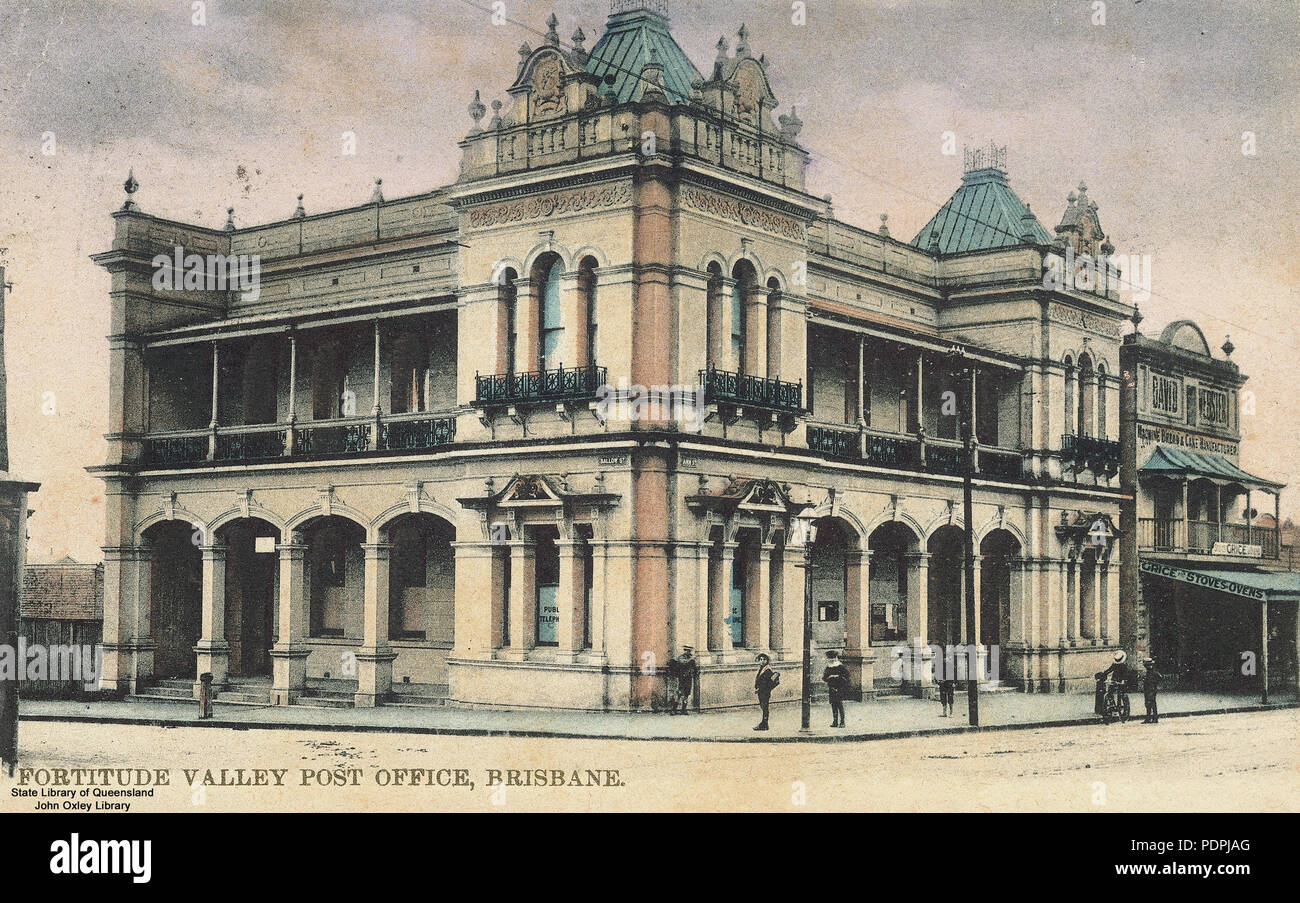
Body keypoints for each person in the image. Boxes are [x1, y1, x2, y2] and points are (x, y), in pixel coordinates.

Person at [822, 650, 850, 728]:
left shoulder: (840, 666)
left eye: (833, 658)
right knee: (833, 705)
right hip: (831, 688)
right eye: (830, 659)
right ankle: (835, 721)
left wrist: (837, 676)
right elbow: (824, 678)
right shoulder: (828, 667)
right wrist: (829, 677)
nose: (832, 660)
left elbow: (846, 676)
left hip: (839, 687)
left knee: (839, 704)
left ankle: (842, 722)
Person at [753, 653, 780, 731]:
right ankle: (764, 724)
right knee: (763, 707)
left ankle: (764, 724)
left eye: (764, 660)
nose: (762, 661)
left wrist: (760, 688)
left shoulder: (767, 670)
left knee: (765, 708)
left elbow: (766, 682)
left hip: (764, 692)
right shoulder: (762, 668)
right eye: (760, 659)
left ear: (767, 660)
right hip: (761, 691)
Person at [673, 648, 698, 715]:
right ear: (685, 651)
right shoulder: (681, 657)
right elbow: (683, 663)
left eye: (689, 651)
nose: (688, 652)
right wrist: (691, 659)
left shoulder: (691, 659)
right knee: (679, 693)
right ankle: (674, 710)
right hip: (681, 678)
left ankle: (683, 710)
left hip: (688, 678)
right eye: (687, 650)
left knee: (686, 694)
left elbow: (694, 668)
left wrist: (693, 673)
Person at [1141, 657, 1161, 724]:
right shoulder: (1149, 671)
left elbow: (1160, 677)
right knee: (1148, 704)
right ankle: (1149, 718)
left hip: (1151, 689)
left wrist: (1154, 684)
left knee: (1152, 703)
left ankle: (1154, 718)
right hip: (1148, 689)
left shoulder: (1153, 671)